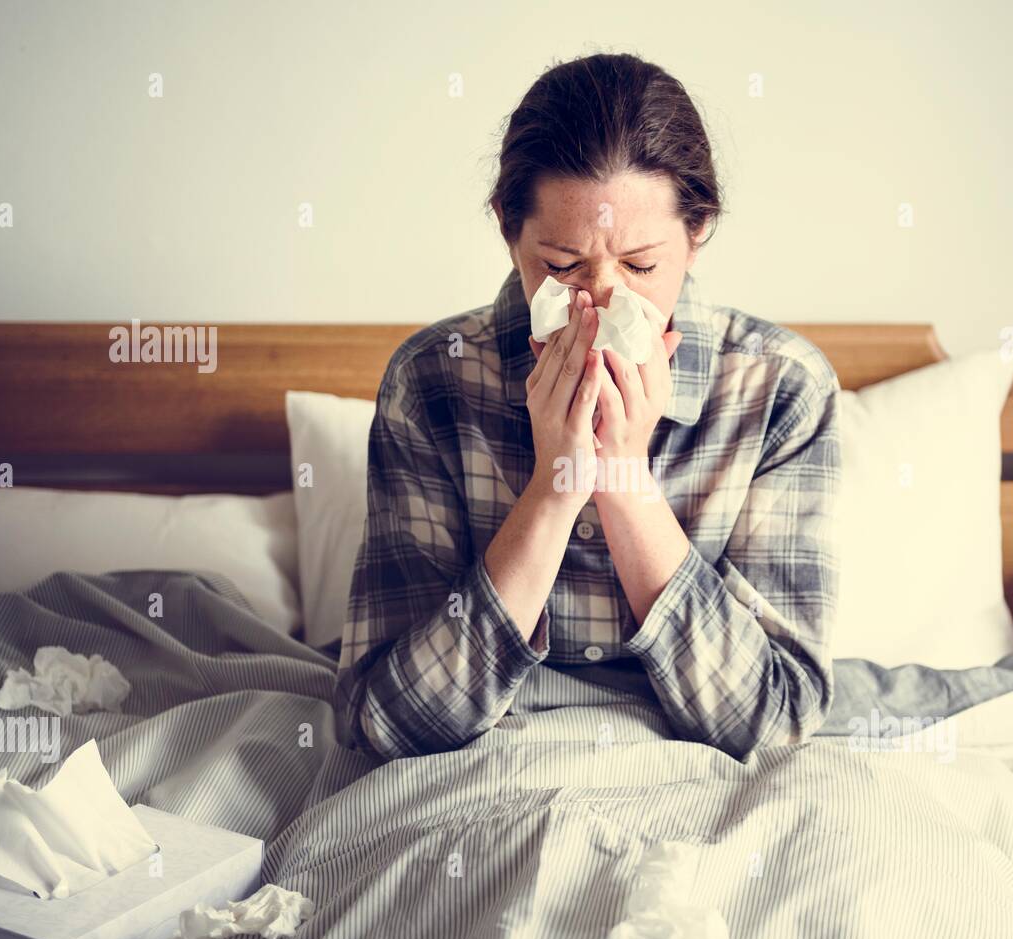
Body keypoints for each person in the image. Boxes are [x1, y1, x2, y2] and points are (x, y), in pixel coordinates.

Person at [334, 52, 840, 762]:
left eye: (640, 266)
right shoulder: (432, 384)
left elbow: (774, 721)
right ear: (510, 231)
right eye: (563, 266)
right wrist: (552, 491)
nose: (601, 305)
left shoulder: (780, 391)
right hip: (486, 781)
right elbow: (383, 724)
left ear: (697, 234)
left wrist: (626, 482)